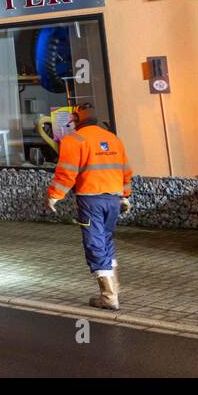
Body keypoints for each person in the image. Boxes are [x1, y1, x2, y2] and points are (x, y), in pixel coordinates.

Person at [45, 103, 133, 310]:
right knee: (106, 241)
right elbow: (126, 171)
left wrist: (53, 196)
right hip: (113, 198)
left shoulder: (73, 141)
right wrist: (125, 196)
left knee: (94, 244)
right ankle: (115, 288)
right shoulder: (113, 139)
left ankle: (109, 296)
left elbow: (66, 173)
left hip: (90, 200)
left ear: (76, 119)